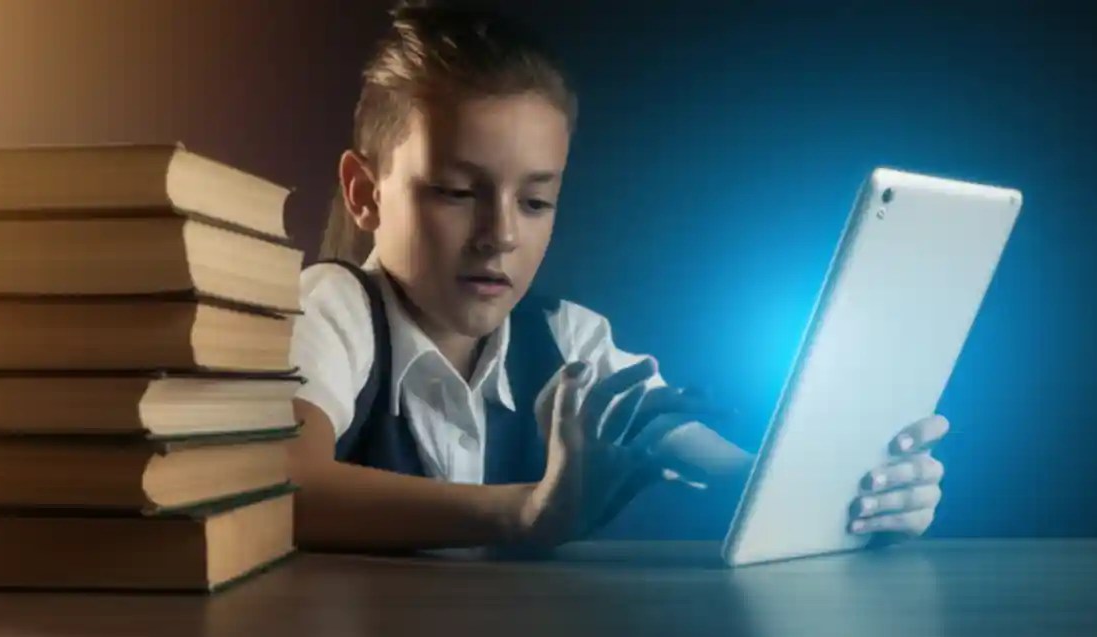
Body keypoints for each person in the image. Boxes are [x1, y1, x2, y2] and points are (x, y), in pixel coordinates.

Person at [287, 1, 948, 552]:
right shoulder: (332, 309)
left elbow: (715, 462)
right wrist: (522, 513)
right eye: (458, 192)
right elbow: (283, 483)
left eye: (536, 201)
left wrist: (854, 493)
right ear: (365, 193)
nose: (501, 234)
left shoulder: (569, 340)